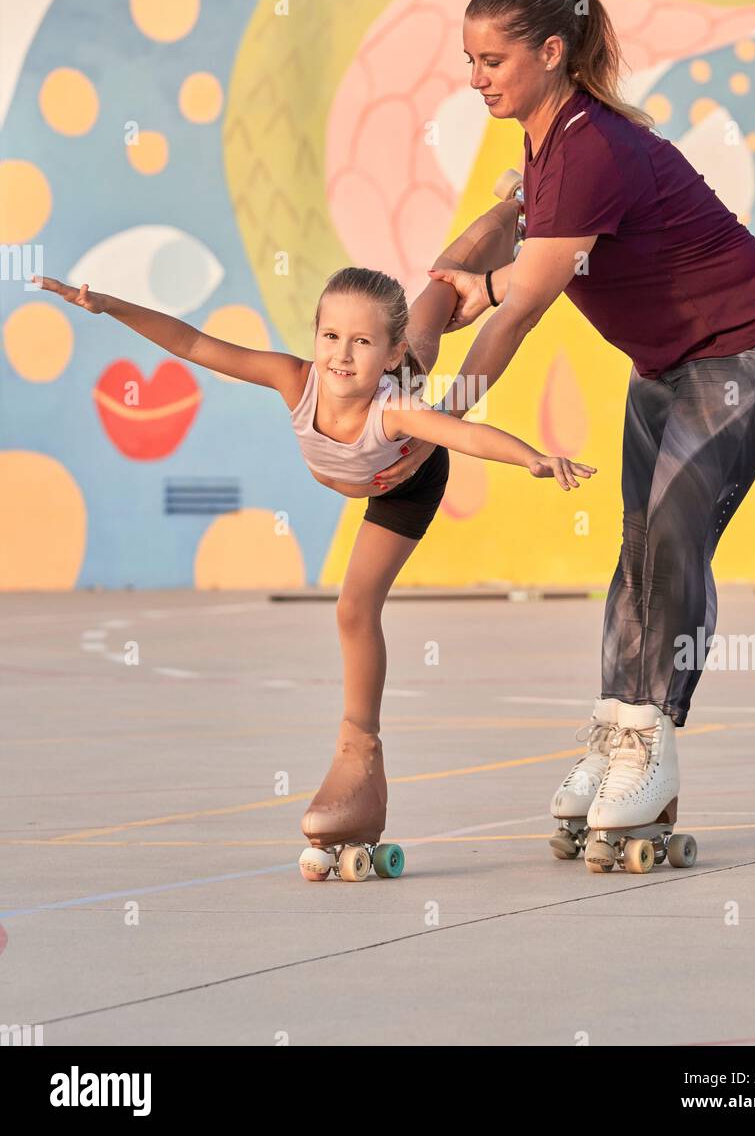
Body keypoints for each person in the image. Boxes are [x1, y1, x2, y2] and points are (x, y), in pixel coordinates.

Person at [31, 197, 597, 879]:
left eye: (361, 343)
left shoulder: (397, 409)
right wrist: (110, 305)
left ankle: (358, 750)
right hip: (389, 413)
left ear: (381, 355)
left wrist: (534, 457)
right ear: (315, 335)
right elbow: (192, 344)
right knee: (445, 283)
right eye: (331, 337)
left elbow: (467, 436)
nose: (342, 355)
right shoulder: (292, 378)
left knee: (356, 602)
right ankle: (514, 203)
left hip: (405, 478)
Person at [407, 0, 755, 870]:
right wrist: (432, 306)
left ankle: (653, 745)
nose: (478, 77)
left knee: (675, 536)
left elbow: (520, 308)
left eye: (494, 60)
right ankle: (616, 729)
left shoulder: (590, 144)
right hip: (671, 361)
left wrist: (442, 417)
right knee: (636, 544)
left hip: (751, 345)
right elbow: (504, 227)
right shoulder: (548, 137)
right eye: (470, 60)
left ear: (551, 53)